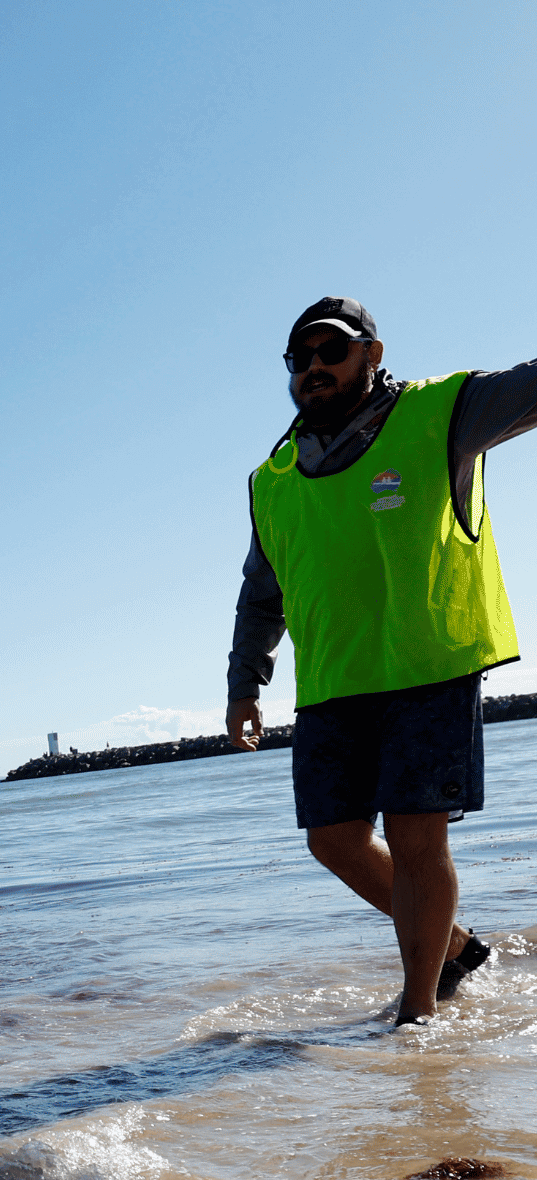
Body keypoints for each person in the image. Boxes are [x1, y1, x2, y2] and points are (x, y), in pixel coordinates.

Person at [229, 297, 537, 1025]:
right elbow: (260, 593)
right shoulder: (272, 480)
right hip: (334, 682)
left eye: (331, 352)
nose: (313, 368)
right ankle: (456, 949)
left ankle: (419, 1014)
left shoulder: (444, 413)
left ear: (371, 353)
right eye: (299, 359)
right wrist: (246, 687)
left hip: (430, 665)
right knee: (333, 841)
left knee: (414, 835)